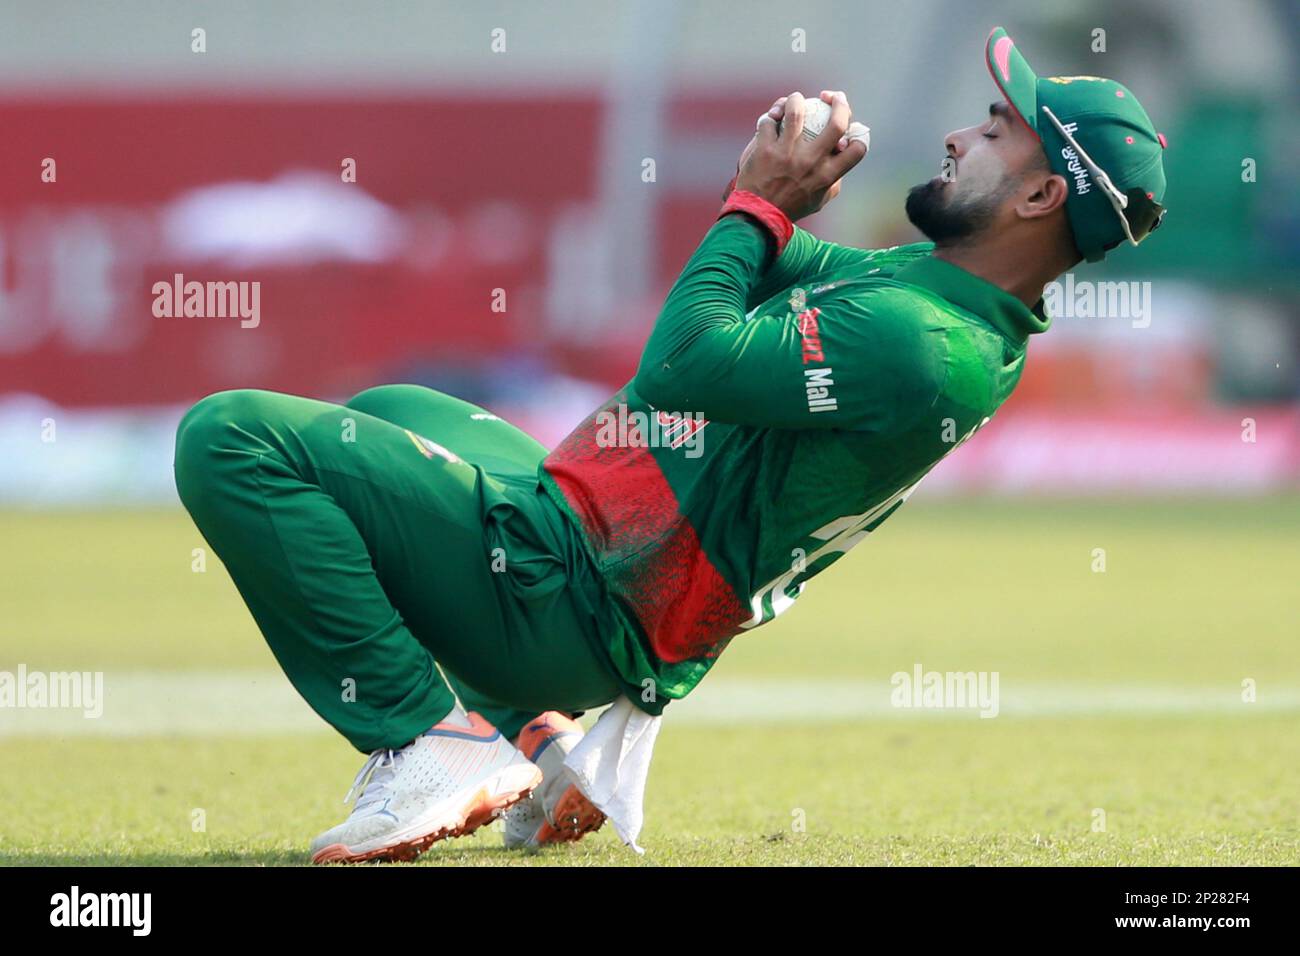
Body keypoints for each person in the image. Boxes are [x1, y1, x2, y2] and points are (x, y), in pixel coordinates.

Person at [174, 26, 1167, 863]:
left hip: (567, 593)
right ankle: (544, 740)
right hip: (582, 559)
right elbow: (766, 256)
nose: (960, 134)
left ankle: (425, 742)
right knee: (395, 406)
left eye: (995, 131)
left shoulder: (925, 342)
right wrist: (776, 184)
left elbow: (685, 361)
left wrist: (761, 200)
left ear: (1041, 198)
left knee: (228, 437)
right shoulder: (948, 297)